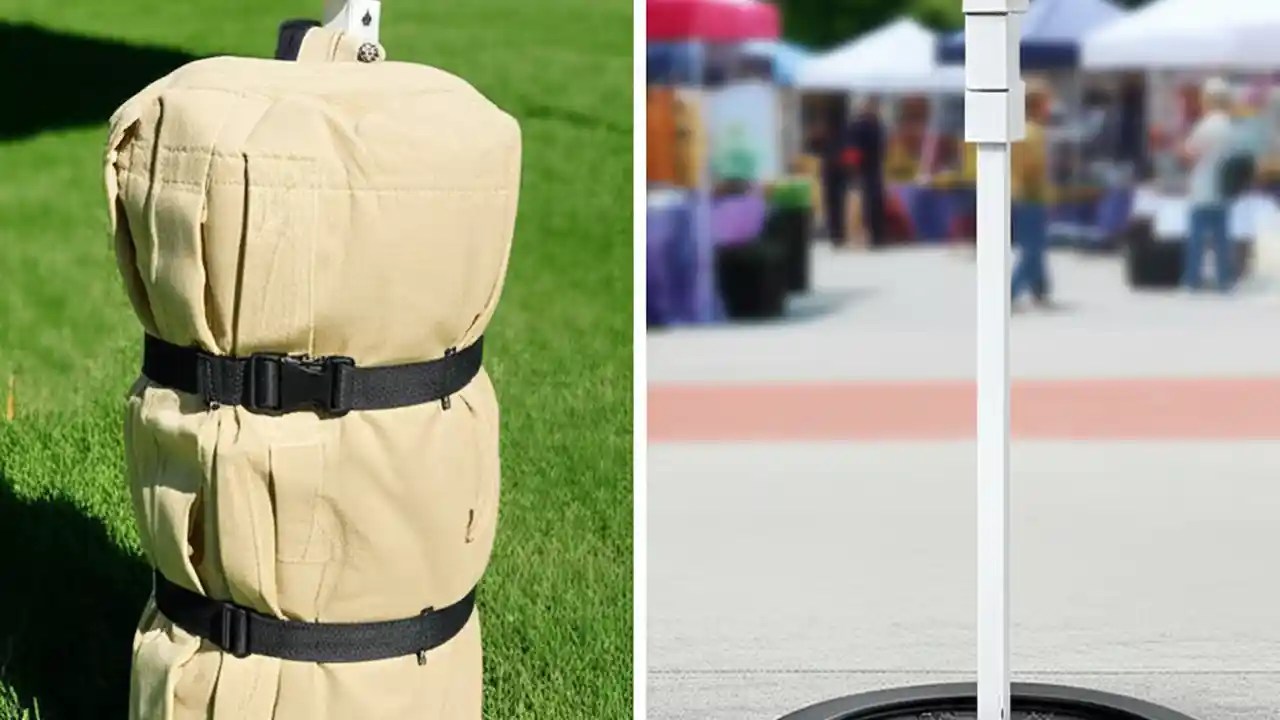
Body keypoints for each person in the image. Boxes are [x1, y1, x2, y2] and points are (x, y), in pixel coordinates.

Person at [1180, 77, 1236, 292]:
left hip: (1202, 188)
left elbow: (1189, 153)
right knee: (1222, 238)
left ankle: (1193, 280)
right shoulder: (1230, 126)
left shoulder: (1205, 126)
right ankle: (1224, 280)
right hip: (1223, 189)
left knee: (1197, 238)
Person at [1011, 81, 1053, 307]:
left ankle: (1040, 288)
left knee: (1036, 245)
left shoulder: (1025, 130)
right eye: (1046, 103)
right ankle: (1010, 291)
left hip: (1026, 195)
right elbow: (1030, 168)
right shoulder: (1031, 133)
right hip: (1030, 197)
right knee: (1032, 248)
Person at [846, 96, 887, 248]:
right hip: (864, 167)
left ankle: (877, 235)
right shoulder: (861, 126)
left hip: (873, 167)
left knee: (874, 201)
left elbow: (881, 147)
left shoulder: (877, 125)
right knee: (865, 201)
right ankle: (866, 234)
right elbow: (853, 147)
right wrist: (853, 167)